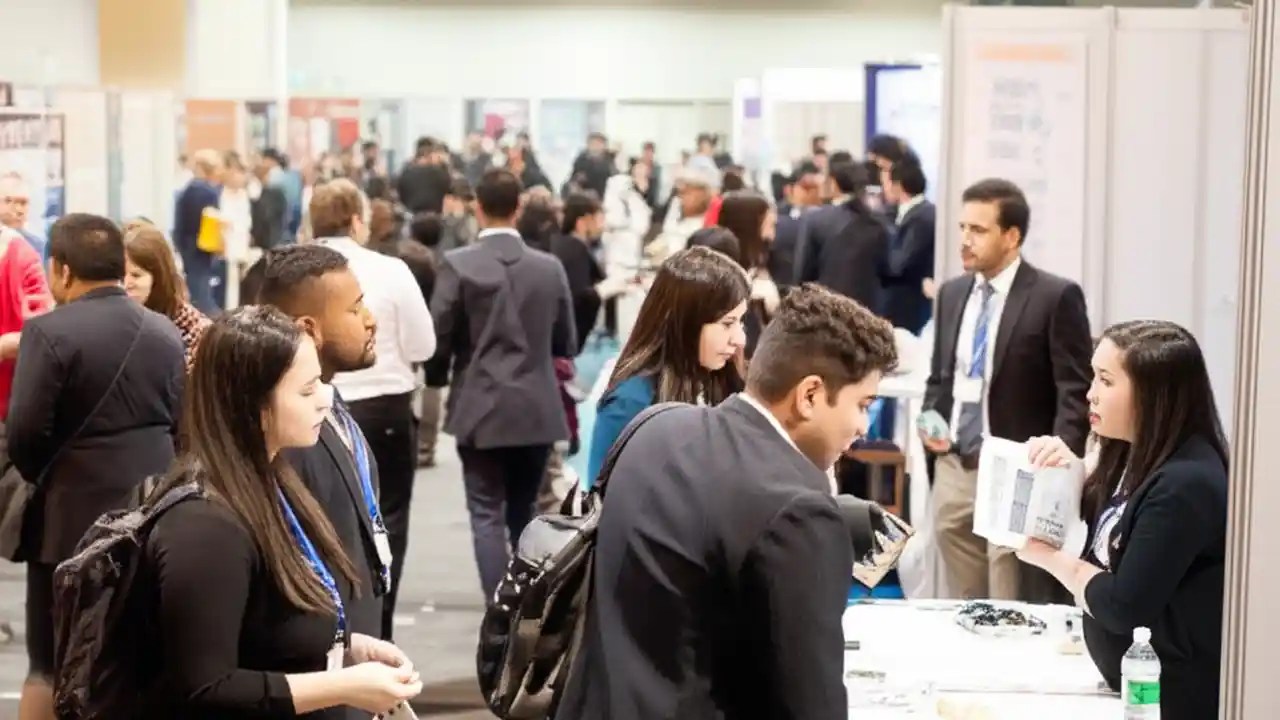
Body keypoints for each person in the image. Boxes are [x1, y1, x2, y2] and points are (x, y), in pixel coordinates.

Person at [558, 284, 899, 719]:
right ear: (809, 395)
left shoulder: (656, 424)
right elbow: (811, 702)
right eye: (862, 404)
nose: (863, 427)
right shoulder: (800, 511)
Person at [140, 306, 422, 718]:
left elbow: (265, 631)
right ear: (255, 406)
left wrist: (345, 648)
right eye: (306, 391)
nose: (325, 402)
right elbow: (205, 686)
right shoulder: (205, 525)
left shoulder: (271, 482)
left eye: (320, 384)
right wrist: (341, 684)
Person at [8, 213, 186, 720]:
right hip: (152, 512)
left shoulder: (46, 332)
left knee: (50, 660)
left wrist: (54, 473)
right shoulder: (164, 331)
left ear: (61, 270)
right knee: (137, 653)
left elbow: (25, 434)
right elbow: (180, 422)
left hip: (67, 517)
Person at [1015, 320, 1227, 720]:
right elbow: (1101, 529)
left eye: (1106, 381)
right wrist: (1062, 474)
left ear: (1152, 394)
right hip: (1128, 691)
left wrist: (1049, 558)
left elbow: (1122, 605)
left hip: (1171, 701)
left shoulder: (1186, 484)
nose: (1090, 394)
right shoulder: (1132, 454)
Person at [921, 178, 1093, 602]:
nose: (964, 240)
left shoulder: (1054, 296)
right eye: (962, 228)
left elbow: (1074, 389)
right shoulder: (951, 294)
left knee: (1012, 596)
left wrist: (1058, 461)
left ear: (1012, 236)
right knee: (966, 600)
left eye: (977, 230)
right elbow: (940, 378)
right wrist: (930, 421)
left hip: (1018, 467)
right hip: (955, 465)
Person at [429, 168, 576, 601]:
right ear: (519, 208)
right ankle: (525, 601)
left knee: (485, 512)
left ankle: (498, 604)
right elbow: (566, 340)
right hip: (535, 406)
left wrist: (442, 378)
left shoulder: (458, 265)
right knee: (525, 510)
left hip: (479, 405)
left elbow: (439, 335)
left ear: (477, 206)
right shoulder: (549, 268)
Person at [308, 179, 436, 639]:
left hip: (309, 406)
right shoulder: (391, 270)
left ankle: (325, 630)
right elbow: (424, 344)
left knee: (313, 518)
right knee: (388, 521)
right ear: (358, 221)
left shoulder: (287, 270)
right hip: (384, 407)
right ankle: (378, 631)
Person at [257, 244, 392, 649]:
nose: (370, 321)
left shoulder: (329, 400)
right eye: (354, 310)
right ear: (309, 329)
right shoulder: (287, 435)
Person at [586, 246, 749, 484]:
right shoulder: (632, 401)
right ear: (685, 324)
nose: (739, 339)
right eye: (727, 324)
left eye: (741, 322)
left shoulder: (723, 377)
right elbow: (604, 498)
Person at [794, 160, 890, 315]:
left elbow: (804, 273)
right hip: (867, 314)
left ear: (833, 183)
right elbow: (886, 271)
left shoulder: (816, 219)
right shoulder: (878, 221)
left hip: (827, 311)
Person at [550, 192, 632, 353]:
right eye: (598, 218)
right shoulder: (575, 250)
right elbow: (579, 296)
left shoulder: (560, 244)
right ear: (584, 221)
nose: (602, 225)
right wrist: (607, 289)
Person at [125, 225, 211, 369]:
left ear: (159, 278)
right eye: (121, 276)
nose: (126, 284)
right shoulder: (118, 323)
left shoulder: (196, 331)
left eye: (136, 275)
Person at [881, 159, 936, 334]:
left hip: (910, 308)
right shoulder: (906, 214)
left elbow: (900, 263)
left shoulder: (922, 217)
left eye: (887, 183)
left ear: (898, 185)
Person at [173, 149, 223, 314]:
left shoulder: (186, 190)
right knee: (202, 295)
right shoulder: (209, 192)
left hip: (187, 246)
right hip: (202, 247)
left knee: (196, 290)